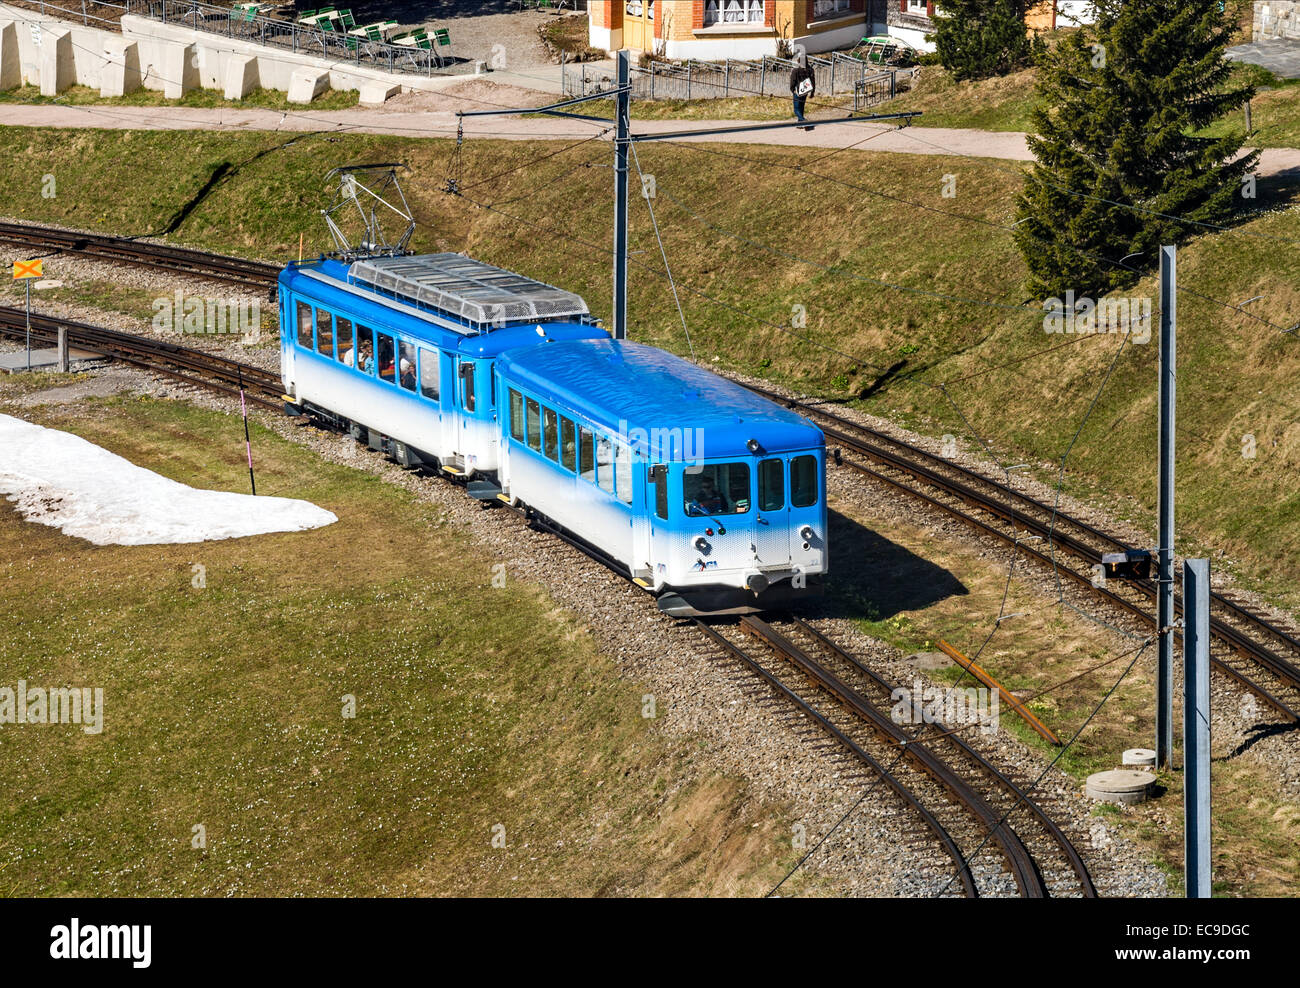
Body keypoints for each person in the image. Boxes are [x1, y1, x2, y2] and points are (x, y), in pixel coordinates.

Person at [790, 51, 815, 132]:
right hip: (805, 91)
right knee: (801, 107)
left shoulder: (795, 70)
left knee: (796, 109)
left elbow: (792, 82)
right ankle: (800, 124)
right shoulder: (810, 69)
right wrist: (812, 92)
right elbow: (813, 81)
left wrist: (792, 90)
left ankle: (803, 120)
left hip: (797, 92)